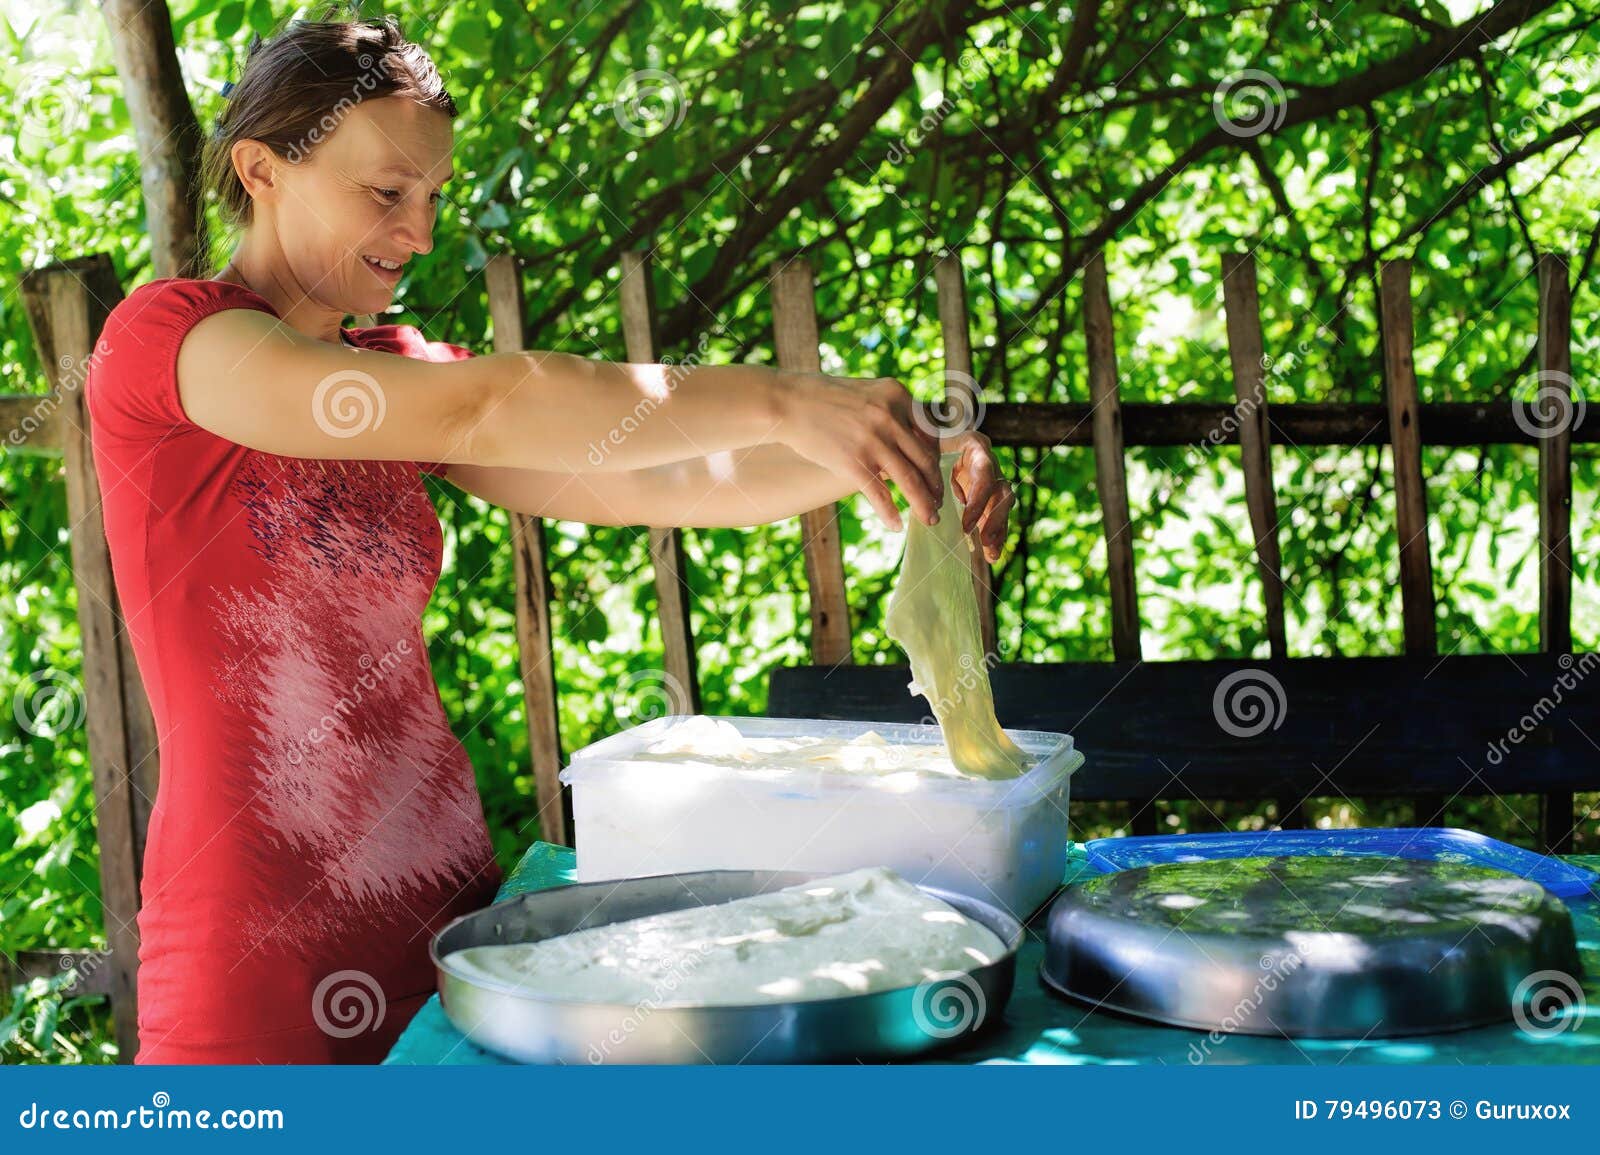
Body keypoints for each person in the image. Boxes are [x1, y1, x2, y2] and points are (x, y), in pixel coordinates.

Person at [84, 14, 1017, 1064]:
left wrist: (894, 456)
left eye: (433, 197)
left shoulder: (396, 371)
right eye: (387, 192)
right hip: (257, 957)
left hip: (458, 926)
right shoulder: (169, 342)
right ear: (262, 168)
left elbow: (649, 476)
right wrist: (787, 397)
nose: (422, 232)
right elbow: (485, 407)